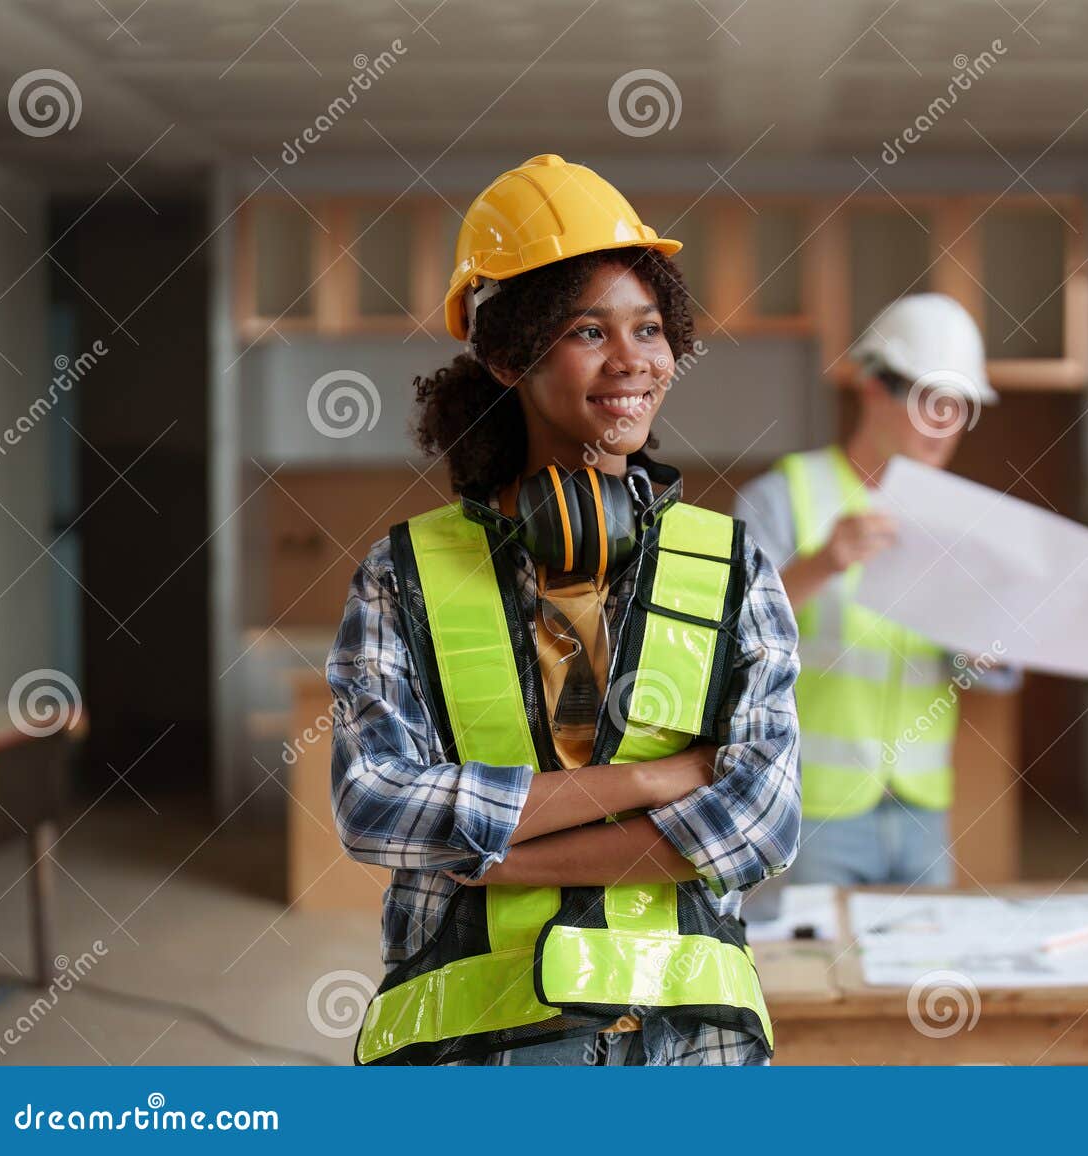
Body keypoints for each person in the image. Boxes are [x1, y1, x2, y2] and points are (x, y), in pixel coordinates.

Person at [326, 155, 800, 1067]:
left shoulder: (733, 565)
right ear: (510, 354)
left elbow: (759, 824)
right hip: (471, 1053)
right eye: (590, 329)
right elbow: (373, 805)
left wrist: (490, 855)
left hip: (692, 1053)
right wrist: (654, 780)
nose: (634, 361)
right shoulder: (405, 573)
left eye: (651, 328)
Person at [736, 293, 1014, 896]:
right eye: (927, 401)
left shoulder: (959, 519)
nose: (945, 423)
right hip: (809, 809)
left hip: (920, 808)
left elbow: (988, 672)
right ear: (871, 387)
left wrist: (986, 649)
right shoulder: (784, 497)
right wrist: (821, 565)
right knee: (819, 984)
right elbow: (730, 638)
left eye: (958, 406)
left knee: (917, 979)